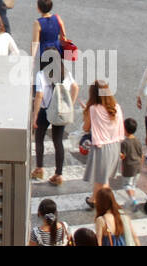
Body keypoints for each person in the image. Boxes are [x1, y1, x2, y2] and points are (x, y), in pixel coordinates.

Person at [31, 50, 78, 186]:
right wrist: (70, 105)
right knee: (58, 142)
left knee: (39, 139)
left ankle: (39, 169)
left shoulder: (41, 74)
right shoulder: (66, 73)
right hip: (60, 110)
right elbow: (75, 87)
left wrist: (34, 115)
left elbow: (39, 96)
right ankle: (59, 174)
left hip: (45, 110)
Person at [82, 79, 124, 206]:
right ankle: (94, 199)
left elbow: (86, 128)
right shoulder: (116, 107)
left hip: (101, 148)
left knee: (102, 179)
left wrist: (85, 112)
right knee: (102, 177)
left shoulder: (93, 109)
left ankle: (110, 204)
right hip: (115, 146)